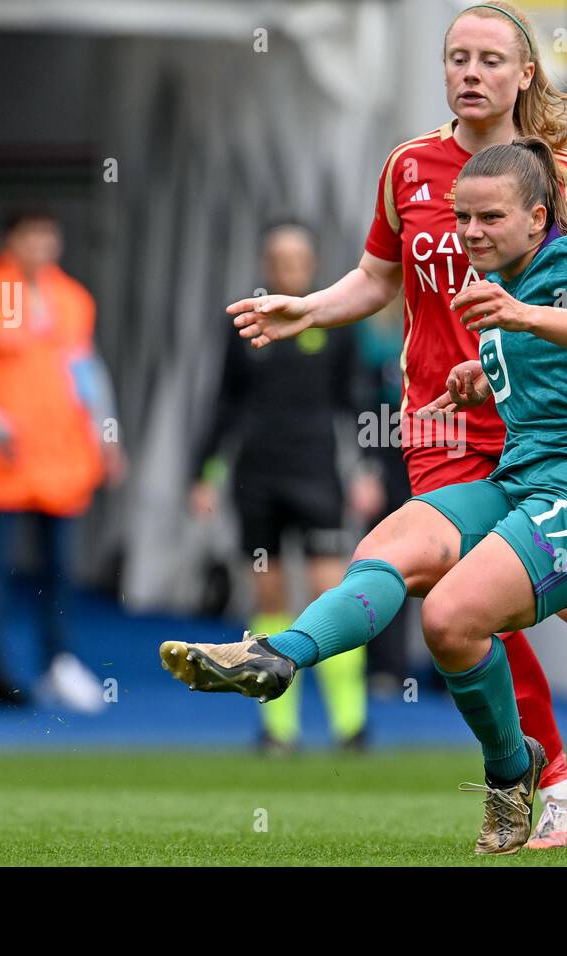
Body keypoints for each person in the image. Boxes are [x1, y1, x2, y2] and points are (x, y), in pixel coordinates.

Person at [166, 1, 567, 850]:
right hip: (446, 418)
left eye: (489, 58)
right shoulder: (410, 167)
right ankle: (548, 784)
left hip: (550, 423)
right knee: (453, 597)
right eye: (456, 58)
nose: (470, 73)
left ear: (525, 74)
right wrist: (312, 311)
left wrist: (518, 333)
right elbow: (376, 281)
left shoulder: (562, 181)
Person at [190, 221, 381, 753]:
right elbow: (224, 404)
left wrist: (365, 469)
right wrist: (203, 473)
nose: (288, 266)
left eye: (298, 257)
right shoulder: (245, 322)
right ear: (266, 263)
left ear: (311, 263)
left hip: (318, 476)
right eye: (279, 257)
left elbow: (355, 401)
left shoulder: (337, 323)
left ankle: (351, 724)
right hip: (257, 478)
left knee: (330, 589)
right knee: (269, 594)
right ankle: (279, 730)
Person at [0, 206, 126, 713]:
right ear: (8, 240)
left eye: (49, 237)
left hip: (61, 456)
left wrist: (107, 433)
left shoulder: (71, 298)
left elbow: (87, 371)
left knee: (59, 568)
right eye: (31, 236)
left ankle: (58, 662)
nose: (41, 246)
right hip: (2, 457)